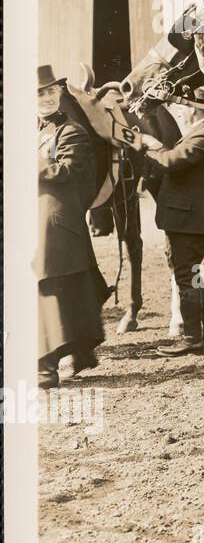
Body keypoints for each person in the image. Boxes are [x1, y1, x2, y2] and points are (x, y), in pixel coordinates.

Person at [36, 65, 110, 388]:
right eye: (40, 93)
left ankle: (44, 369)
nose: (47, 98)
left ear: (60, 94)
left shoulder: (72, 131)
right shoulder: (37, 133)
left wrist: (31, 163)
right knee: (65, 292)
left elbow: (66, 173)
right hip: (41, 223)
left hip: (57, 224)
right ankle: (76, 353)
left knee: (48, 291)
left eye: (51, 91)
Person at [137, 89, 204, 356]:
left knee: (185, 277)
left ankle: (191, 338)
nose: (176, 111)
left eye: (180, 106)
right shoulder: (201, 133)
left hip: (188, 220)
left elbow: (171, 162)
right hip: (191, 219)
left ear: (194, 108)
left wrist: (150, 146)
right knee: (195, 274)